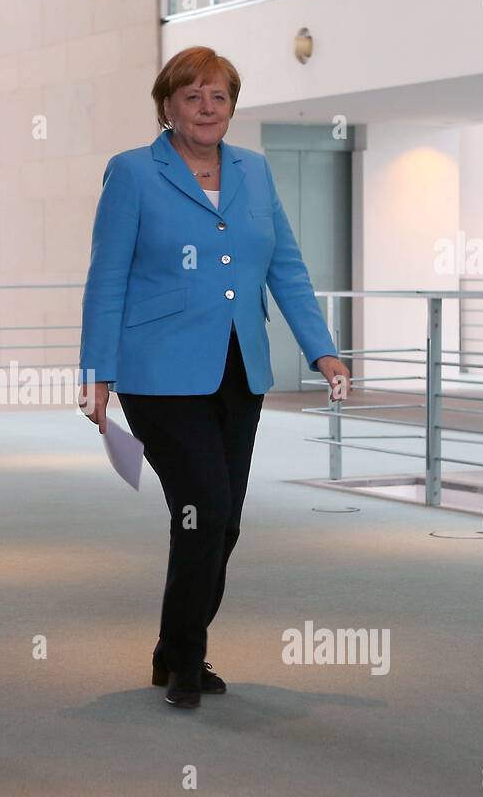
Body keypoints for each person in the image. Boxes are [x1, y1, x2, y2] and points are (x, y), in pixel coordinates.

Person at [78, 46, 350, 709]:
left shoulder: (254, 173)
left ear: (232, 106)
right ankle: (187, 661)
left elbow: (285, 267)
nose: (207, 108)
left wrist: (323, 351)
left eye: (219, 96)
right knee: (204, 503)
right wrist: (97, 371)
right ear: (168, 105)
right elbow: (107, 278)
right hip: (158, 373)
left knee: (219, 522)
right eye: (193, 95)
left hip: (239, 371)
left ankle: (173, 648)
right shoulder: (134, 173)